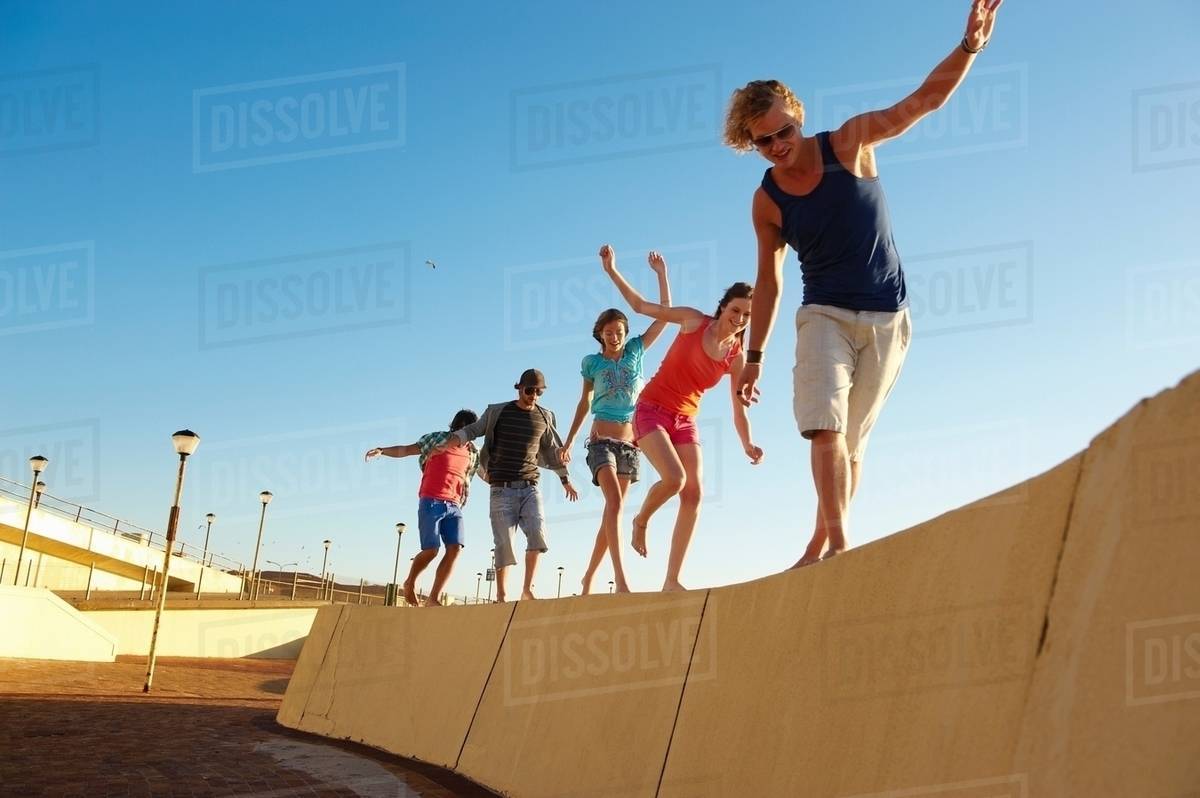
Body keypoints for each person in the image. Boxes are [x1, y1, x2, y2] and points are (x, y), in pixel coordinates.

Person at [726, 0, 1003, 567]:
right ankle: (839, 545)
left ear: (799, 115)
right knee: (823, 425)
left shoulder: (849, 143)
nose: (778, 144)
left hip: (887, 318)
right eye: (764, 140)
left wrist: (969, 46)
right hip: (822, 313)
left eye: (785, 130)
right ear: (750, 143)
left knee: (851, 444)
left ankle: (824, 538)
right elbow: (768, 280)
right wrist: (753, 355)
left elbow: (921, 103)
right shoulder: (766, 201)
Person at [603, 252, 764, 592]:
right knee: (674, 479)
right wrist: (611, 270)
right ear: (723, 307)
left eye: (747, 315)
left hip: (685, 420)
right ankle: (641, 519)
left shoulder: (736, 358)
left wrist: (747, 443)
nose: (739, 318)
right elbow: (641, 306)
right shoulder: (693, 321)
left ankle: (671, 580)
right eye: (735, 310)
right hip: (650, 410)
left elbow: (739, 409)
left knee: (694, 493)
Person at [558, 246, 672, 595]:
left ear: (625, 332)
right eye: (608, 331)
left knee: (613, 512)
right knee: (617, 505)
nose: (614, 335)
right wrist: (569, 441)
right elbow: (584, 402)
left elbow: (666, 316)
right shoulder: (592, 363)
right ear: (601, 334)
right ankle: (621, 582)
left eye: (619, 330)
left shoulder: (637, 350)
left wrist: (661, 276)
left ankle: (588, 577)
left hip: (630, 444)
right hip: (600, 443)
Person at [434, 369, 579, 601]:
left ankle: (527, 590)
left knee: (538, 533)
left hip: (530, 485)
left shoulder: (545, 417)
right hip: (501, 488)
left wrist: (565, 480)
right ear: (519, 388)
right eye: (529, 390)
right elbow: (473, 430)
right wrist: (451, 442)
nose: (533, 395)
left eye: (538, 391)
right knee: (504, 543)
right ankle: (501, 596)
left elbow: (553, 451)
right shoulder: (497, 412)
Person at [364, 409, 480, 607]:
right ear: (455, 427)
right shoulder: (437, 439)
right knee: (431, 550)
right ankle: (410, 582)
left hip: (454, 506)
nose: (464, 434)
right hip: (431, 500)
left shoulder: (473, 452)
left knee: (455, 549)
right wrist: (382, 450)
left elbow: (477, 475)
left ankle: (433, 597)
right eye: (461, 429)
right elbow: (408, 449)